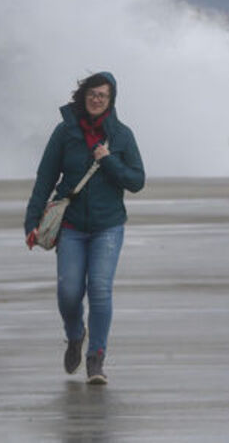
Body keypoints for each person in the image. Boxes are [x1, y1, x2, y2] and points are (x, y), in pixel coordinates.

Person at [23, 72, 144, 384]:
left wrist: (109, 161)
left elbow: (137, 181)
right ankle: (75, 334)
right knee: (68, 292)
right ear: (83, 96)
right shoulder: (65, 132)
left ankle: (96, 358)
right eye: (92, 93)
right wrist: (31, 222)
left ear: (111, 100)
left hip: (108, 226)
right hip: (72, 226)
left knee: (100, 290)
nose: (96, 99)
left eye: (102, 95)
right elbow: (45, 178)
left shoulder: (122, 136)